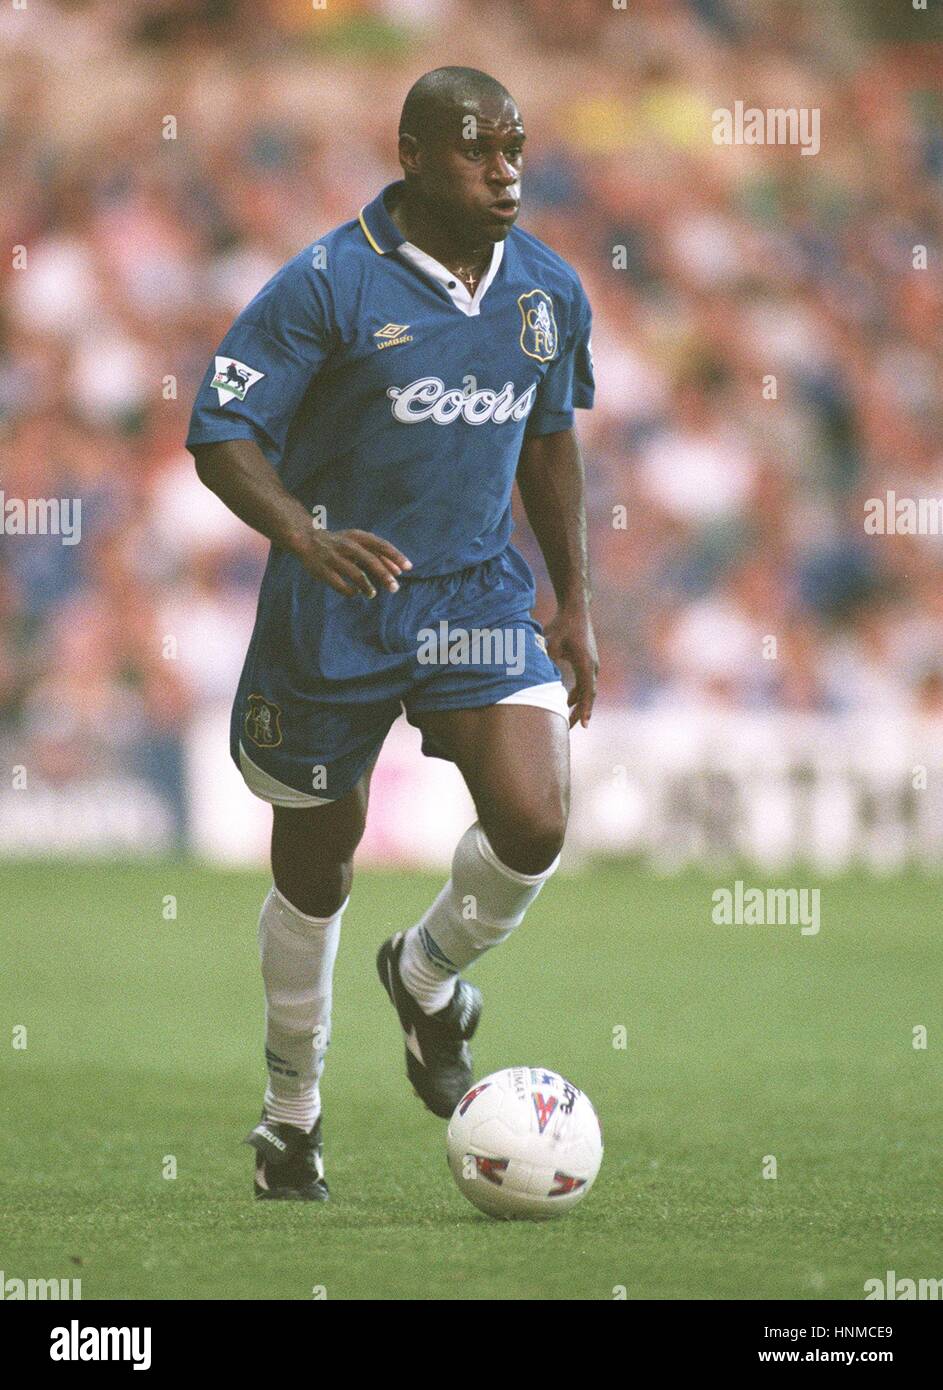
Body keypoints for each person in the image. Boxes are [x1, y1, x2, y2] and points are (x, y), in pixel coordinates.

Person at [186, 66, 597, 1201]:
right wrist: (302, 536)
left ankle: (421, 977)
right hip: (333, 609)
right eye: (479, 151)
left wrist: (577, 606)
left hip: (470, 600)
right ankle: (290, 1116)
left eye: (515, 148)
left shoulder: (547, 290)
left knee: (533, 818)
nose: (506, 171)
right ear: (412, 155)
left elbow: (550, 440)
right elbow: (220, 429)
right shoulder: (328, 281)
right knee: (316, 867)